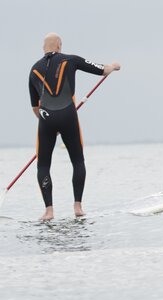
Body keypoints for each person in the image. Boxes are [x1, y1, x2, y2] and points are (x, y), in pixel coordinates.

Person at [29, 33, 121, 222]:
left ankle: (49, 211)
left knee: (43, 164)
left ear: (43, 48)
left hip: (46, 119)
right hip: (69, 116)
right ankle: (78, 207)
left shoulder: (33, 70)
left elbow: (35, 108)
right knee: (77, 161)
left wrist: (49, 121)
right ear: (60, 45)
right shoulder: (71, 60)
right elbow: (101, 70)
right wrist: (113, 66)